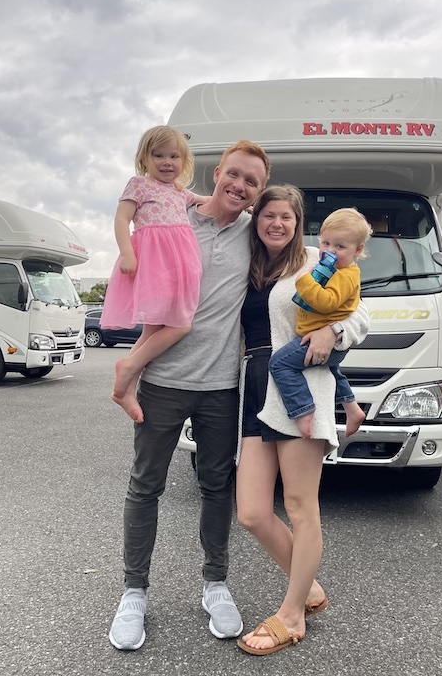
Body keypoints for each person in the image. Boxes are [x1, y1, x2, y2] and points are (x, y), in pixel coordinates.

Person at [108, 139, 273, 650]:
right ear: (217, 172)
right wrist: (135, 363)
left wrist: (342, 327)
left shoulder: (257, 236)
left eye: (252, 181)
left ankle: (215, 584)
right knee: (145, 486)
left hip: (221, 385)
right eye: (234, 174)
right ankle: (134, 592)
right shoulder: (174, 219)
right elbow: (147, 289)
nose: (240, 186)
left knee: (217, 488)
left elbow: (320, 274)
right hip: (162, 380)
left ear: (259, 192)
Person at [235, 185, 370, 656]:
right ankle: (308, 588)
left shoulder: (320, 258)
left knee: (299, 505)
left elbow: (360, 315)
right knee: (251, 511)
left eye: (285, 217)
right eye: (267, 215)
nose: (276, 224)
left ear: (299, 223)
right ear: (257, 220)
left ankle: (292, 615)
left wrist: (334, 333)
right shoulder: (249, 265)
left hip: (302, 387)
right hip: (255, 388)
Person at [101, 125, 208, 422]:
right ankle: (129, 368)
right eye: (158, 155)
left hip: (178, 266)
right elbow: (121, 219)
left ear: (183, 161)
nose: (166, 162)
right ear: (144, 158)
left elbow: (205, 202)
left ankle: (127, 384)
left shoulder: (179, 191)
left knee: (153, 329)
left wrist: (246, 209)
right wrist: (127, 253)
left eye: (174, 156)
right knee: (180, 325)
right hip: (154, 264)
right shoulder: (138, 184)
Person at [268, 207, 373, 439]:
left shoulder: (346, 275)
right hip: (316, 337)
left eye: (339, 246)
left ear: (358, 249)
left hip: (322, 340)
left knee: (279, 364)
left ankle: (303, 410)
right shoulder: (332, 268)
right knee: (334, 370)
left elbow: (326, 302)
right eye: (325, 243)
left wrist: (305, 282)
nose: (329, 251)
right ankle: (352, 408)